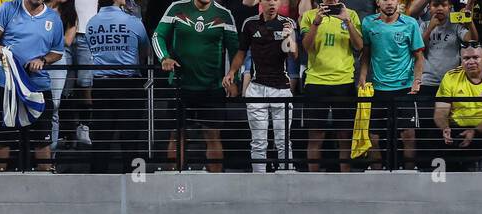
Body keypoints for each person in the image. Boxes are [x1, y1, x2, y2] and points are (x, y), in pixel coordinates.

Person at [153, 0, 241, 172]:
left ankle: (215, 185)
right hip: (180, 85)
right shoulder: (177, 8)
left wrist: (233, 77)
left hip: (212, 88)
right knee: (177, 134)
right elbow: (158, 36)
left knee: (213, 136)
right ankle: (174, 181)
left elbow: (235, 49)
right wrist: (164, 57)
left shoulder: (224, 14)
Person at [0, 0, 66, 172]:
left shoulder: (54, 19)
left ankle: (44, 191)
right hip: (5, 85)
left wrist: (43, 60)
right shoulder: (8, 8)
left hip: (38, 86)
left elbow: (57, 53)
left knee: (42, 142)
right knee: (1, 141)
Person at [227, 0, 299, 172]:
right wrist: (231, 72)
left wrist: (289, 37)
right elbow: (241, 51)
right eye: (268, 0)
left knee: (283, 141)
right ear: (261, 2)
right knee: (259, 142)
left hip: (281, 89)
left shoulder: (287, 23)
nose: (272, 4)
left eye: (275, 0)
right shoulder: (250, 24)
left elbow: (294, 54)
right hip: (256, 88)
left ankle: (286, 180)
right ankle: (259, 182)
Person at [359, 0, 425, 168]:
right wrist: (363, 76)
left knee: (408, 135)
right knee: (373, 136)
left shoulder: (410, 23)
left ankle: (409, 174)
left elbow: (418, 56)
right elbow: (366, 52)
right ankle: (377, 176)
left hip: (404, 88)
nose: (389, 3)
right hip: (378, 88)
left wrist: (417, 81)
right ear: (378, 2)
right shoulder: (368, 23)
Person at [85, 0, 149, 173]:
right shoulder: (133, 22)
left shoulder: (91, 22)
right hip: (129, 85)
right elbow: (145, 51)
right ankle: (136, 185)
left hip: (101, 85)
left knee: (101, 140)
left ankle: (97, 187)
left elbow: (92, 49)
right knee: (132, 139)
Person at [300, 1, 364, 171]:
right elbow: (306, 47)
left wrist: (347, 21)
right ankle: (313, 183)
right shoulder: (309, 15)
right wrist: (316, 22)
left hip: (343, 82)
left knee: (345, 136)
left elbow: (359, 46)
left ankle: (345, 182)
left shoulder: (351, 14)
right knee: (315, 136)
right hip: (315, 81)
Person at [434, 42, 482, 169]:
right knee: (438, 138)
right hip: (457, 128)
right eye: (466, 58)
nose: (471, 62)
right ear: (461, 60)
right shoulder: (450, 77)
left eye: (475, 57)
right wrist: (445, 128)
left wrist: (475, 131)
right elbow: (440, 112)